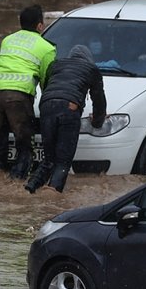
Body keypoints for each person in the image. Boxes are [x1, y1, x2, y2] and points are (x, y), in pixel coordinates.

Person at [0, 5, 55, 180]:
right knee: (24, 147)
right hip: (17, 97)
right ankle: (17, 186)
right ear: (40, 26)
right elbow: (47, 80)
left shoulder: (7, 40)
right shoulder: (47, 48)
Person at [25, 44, 107, 194]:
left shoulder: (55, 65)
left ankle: (30, 188)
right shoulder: (91, 69)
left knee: (49, 159)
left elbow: (48, 85)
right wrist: (97, 122)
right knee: (63, 162)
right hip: (69, 108)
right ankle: (52, 195)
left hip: (46, 106)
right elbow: (99, 100)